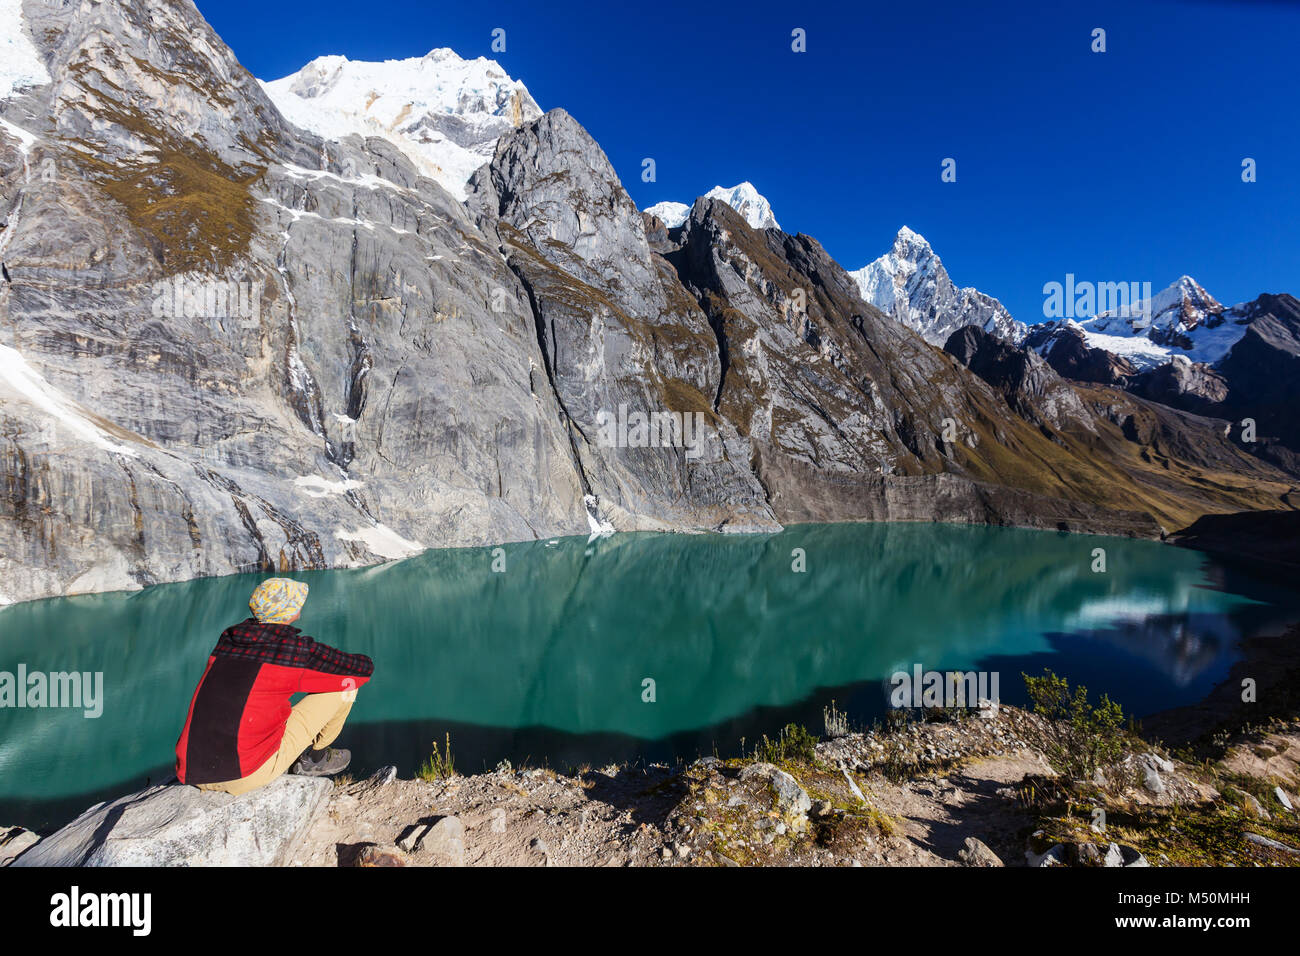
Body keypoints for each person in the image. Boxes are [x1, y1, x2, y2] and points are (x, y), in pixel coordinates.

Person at [174, 577, 374, 794]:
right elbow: (359, 671)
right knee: (347, 685)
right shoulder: (291, 650)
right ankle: (316, 757)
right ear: (289, 611)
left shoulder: (228, 639)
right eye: (298, 602)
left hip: (191, 769)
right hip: (244, 773)